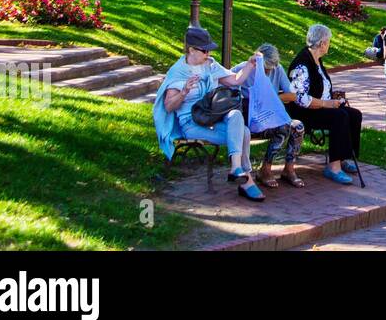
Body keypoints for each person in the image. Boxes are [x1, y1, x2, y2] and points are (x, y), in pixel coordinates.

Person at [153, 26, 265, 201]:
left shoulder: (211, 66)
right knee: (244, 133)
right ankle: (246, 181)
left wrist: (250, 64)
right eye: (204, 50)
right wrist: (183, 92)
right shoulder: (178, 72)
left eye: (209, 50)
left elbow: (235, 80)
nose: (207, 53)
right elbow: (168, 107)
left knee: (235, 116)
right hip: (191, 123)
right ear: (191, 49)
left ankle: (236, 167)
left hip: (212, 117)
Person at [285, 23, 364, 184]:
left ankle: (344, 157)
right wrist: (326, 104)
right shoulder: (303, 63)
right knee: (339, 116)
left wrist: (333, 99)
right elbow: (299, 97)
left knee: (354, 114)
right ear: (322, 44)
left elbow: (321, 86)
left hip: (319, 107)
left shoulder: (317, 60)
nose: (329, 45)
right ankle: (333, 167)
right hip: (303, 112)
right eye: (328, 42)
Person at [253, 43, 306, 188]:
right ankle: (265, 169)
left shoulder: (277, 69)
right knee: (283, 127)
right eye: (266, 68)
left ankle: (289, 169)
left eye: (271, 68)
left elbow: (292, 95)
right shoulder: (247, 69)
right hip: (255, 120)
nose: (269, 71)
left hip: (273, 118)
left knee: (298, 127)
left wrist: (273, 98)